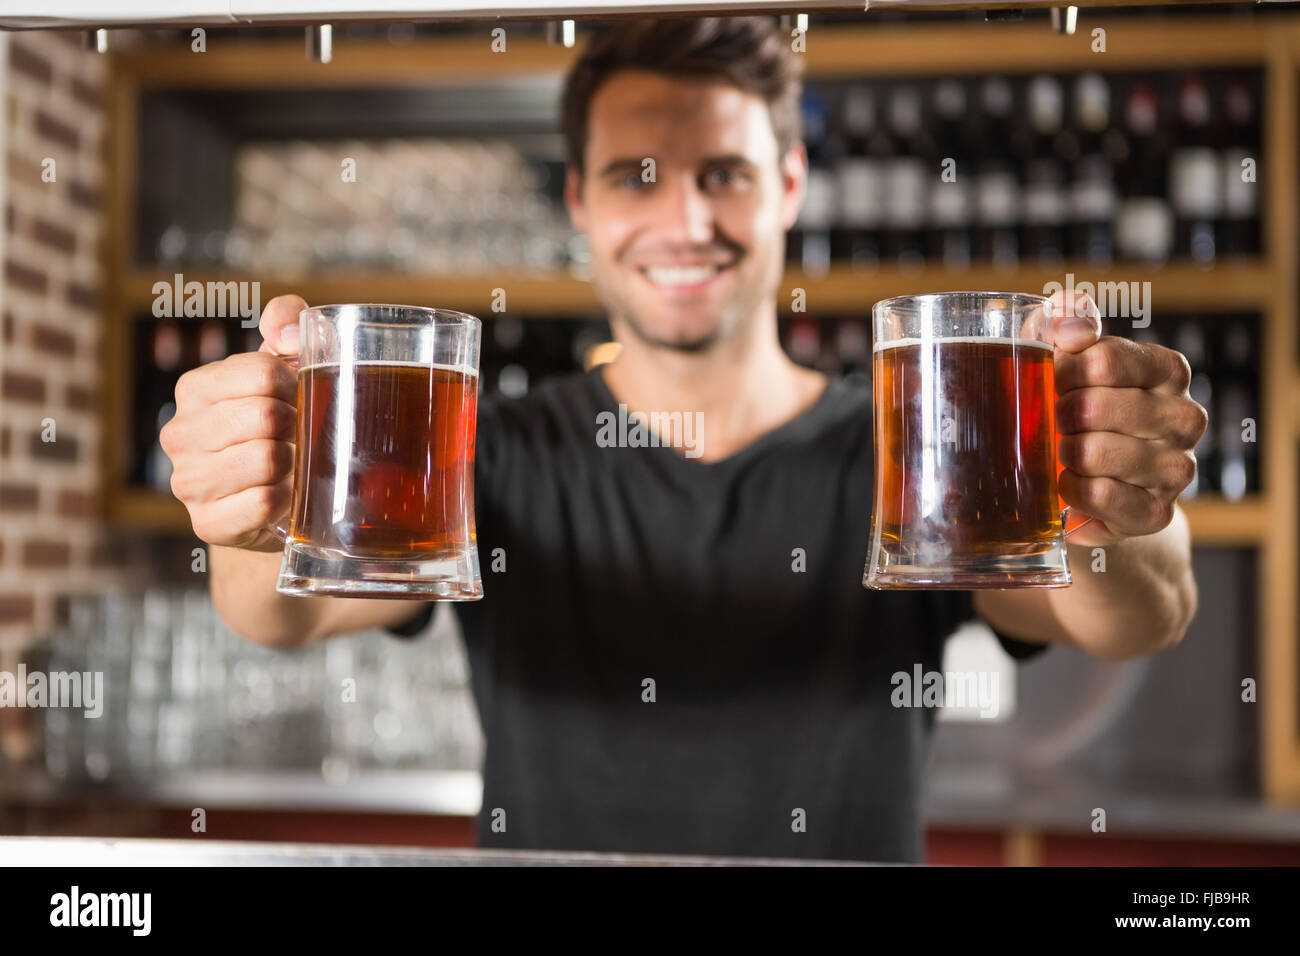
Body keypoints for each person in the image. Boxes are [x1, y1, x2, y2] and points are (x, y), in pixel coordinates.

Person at [161, 18, 1206, 862]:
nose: (684, 219)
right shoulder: (491, 447)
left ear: (790, 184)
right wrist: (249, 520)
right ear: (579, 201)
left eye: (724, 172)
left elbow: (1139, 617)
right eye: (636, 176)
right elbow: (282, 619)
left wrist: (1112, 500)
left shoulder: (903, 444)